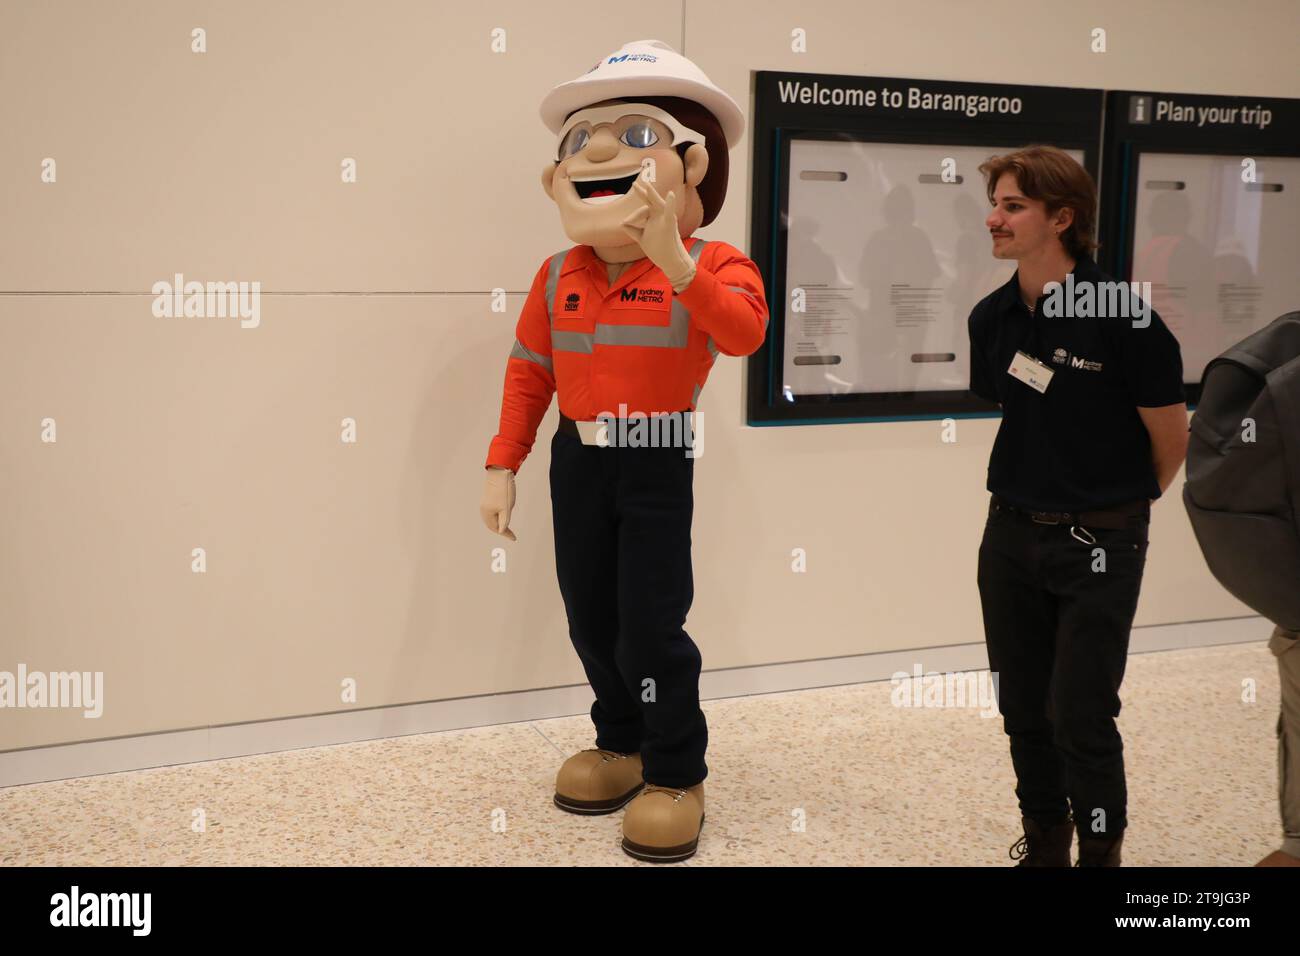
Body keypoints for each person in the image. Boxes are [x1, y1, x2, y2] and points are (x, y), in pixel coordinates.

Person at [478, 40, 767, 862]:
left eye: (636, 132)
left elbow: (744, 334)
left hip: (655, 449)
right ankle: (621, 740)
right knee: (590, 612)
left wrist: (678, 264)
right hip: (579, 456)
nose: (600, 153)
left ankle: (676, 770)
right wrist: (503, 461)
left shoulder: (716, 262)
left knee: (651, 622)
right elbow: (530, 369)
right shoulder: (557, 272)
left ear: (692, 163)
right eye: (581, 138)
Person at [967, 145, 1188, 866]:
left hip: (1101, 541)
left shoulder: (1125, 318)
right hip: (1009, 536)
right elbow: (1014, 402)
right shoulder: (992, 316)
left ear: (1063, 218)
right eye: (996, 203)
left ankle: (1101, 854)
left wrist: (1114, 510)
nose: (993, 218)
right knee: (1023, 713)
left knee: (1082, 715)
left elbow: (1170, 438)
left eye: (1013, 206)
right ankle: (1044, 844)